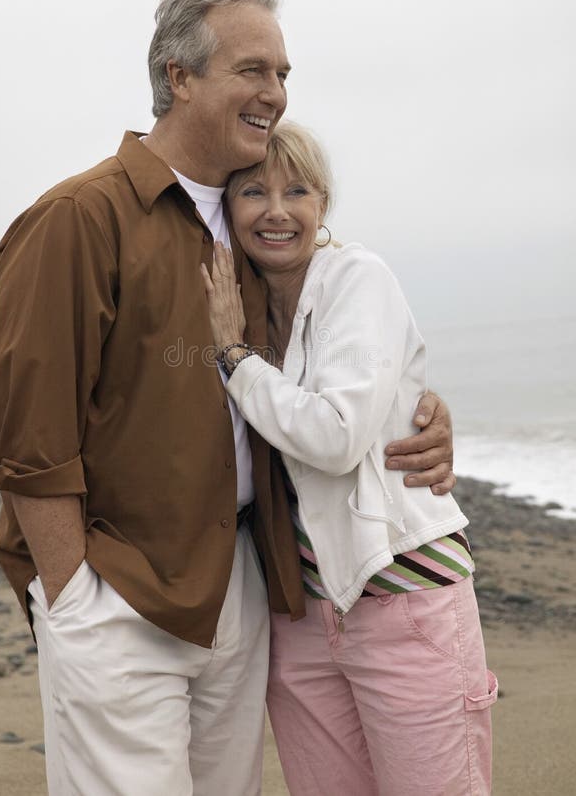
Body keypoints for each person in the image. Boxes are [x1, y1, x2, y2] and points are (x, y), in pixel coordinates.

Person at [0, 0, 455, 795]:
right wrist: (75, 601)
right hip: (119, 586)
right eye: (252, 70)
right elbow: (26, 433)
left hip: (242, 582)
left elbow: (338, 361)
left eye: (281, 74)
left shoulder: (255, 230)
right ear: (179, 76)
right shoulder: (80, 217)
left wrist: (424, 417)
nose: (273, 92)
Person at [202, 121, 498, 796]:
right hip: (299, 616)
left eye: (296, 191)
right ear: (228, 208)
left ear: (322, 205)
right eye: (253, 192)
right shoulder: (237, 303)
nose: (276, 210)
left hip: (405, 601)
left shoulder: (357, 278)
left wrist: (234, 359)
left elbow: (336, 437)